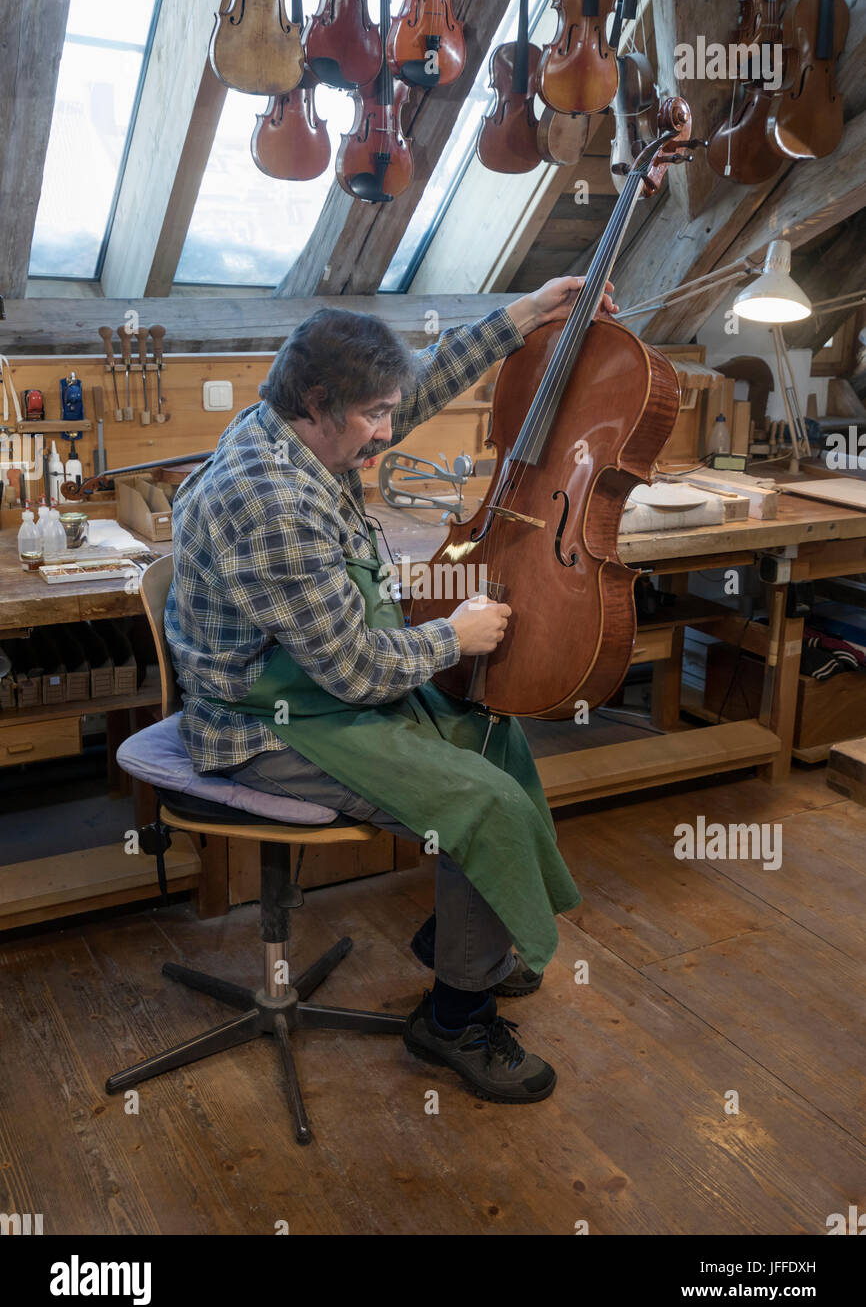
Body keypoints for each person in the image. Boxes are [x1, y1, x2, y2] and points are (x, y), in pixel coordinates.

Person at [165, 277, 617, 1105]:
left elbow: (419, 388)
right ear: (319, 402)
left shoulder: (297, 426)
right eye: (375, 417)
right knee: (483, 804)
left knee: (494, 734)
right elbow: (356, 671)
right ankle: (453, 1019)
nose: (388, 432)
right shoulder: (270, 499)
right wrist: (458, 636)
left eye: (386, 413)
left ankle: (464, 944)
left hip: (316, 682)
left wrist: (526, 314)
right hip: (261, 722)